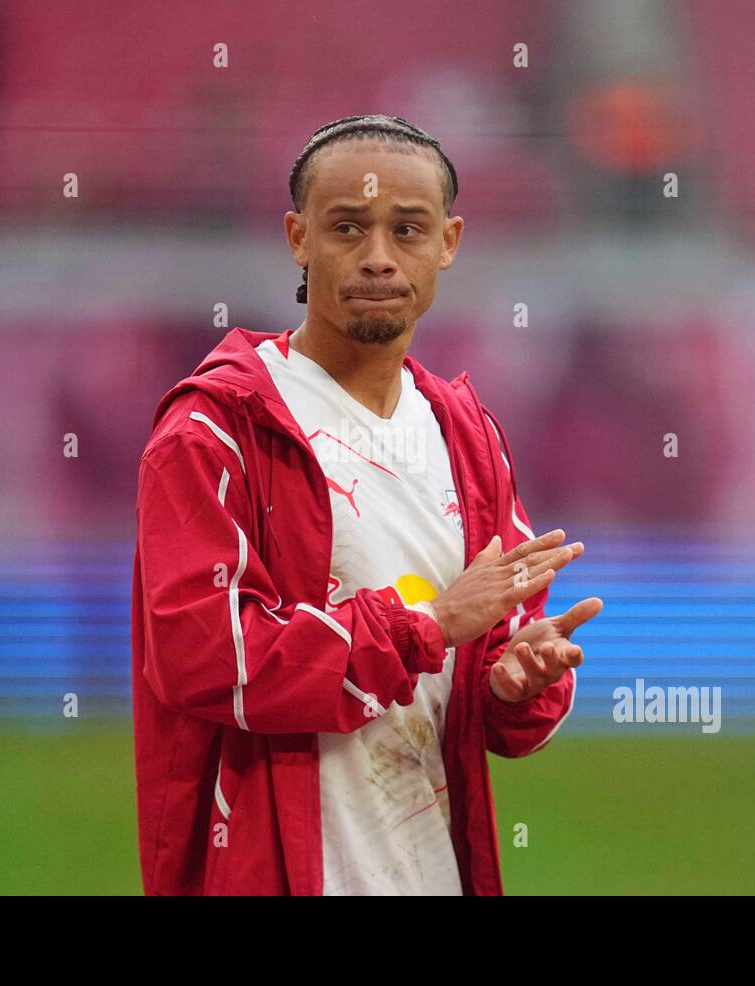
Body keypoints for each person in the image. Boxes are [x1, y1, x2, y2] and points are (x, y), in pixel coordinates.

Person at [130, 114, 603, 895]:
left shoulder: (468, 437)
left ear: (449, 242)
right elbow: (203, 658)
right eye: (347, 227)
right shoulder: (215, 429)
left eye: (407, 230)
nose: (378, 258)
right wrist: (424, 629)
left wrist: (515, 680)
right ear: (298, 238)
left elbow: (490, 675)